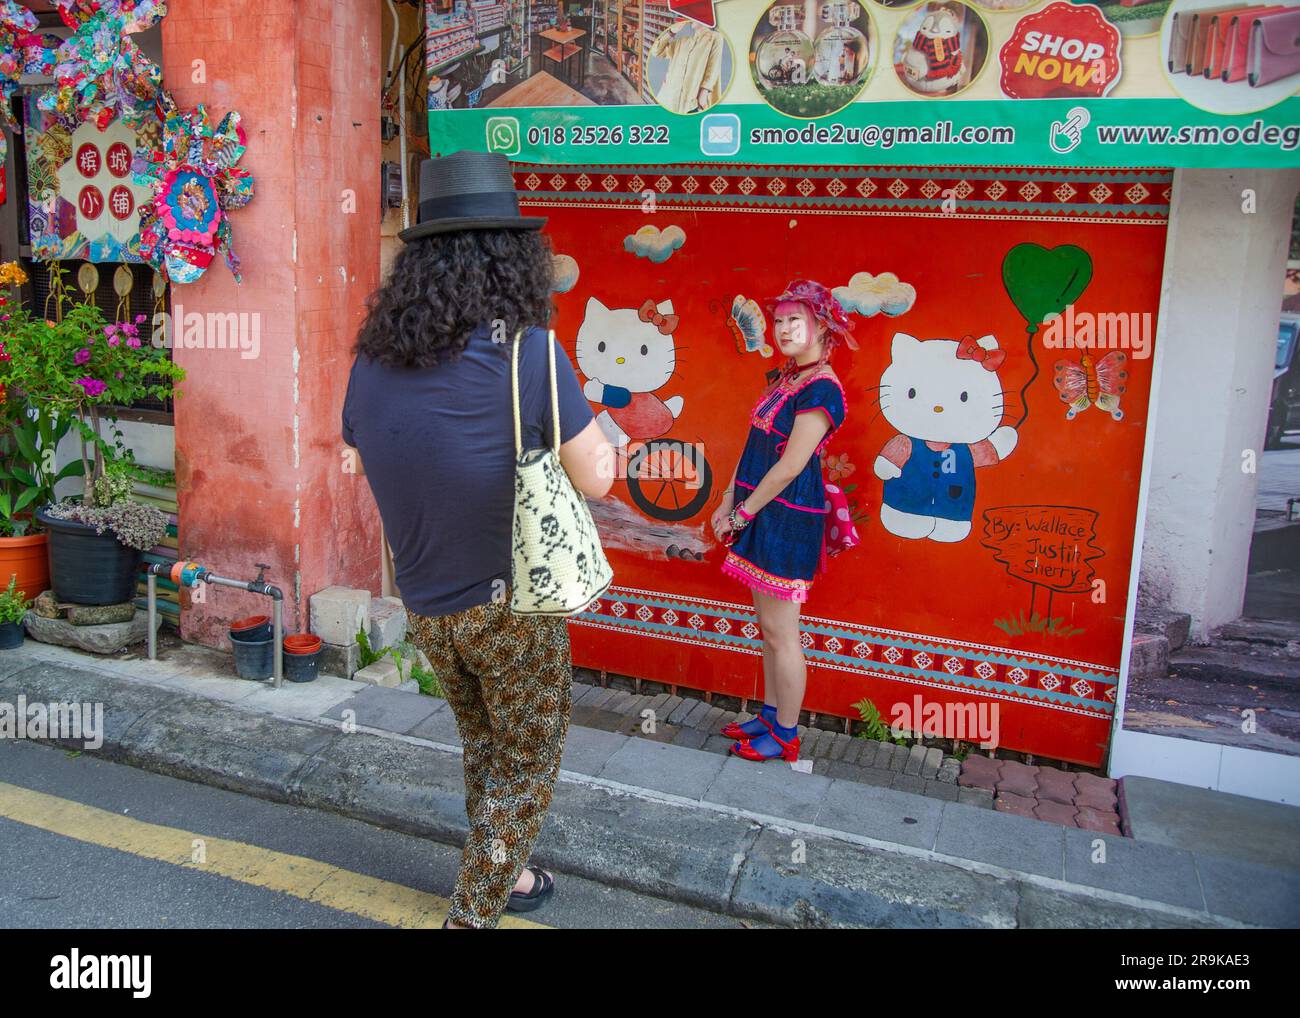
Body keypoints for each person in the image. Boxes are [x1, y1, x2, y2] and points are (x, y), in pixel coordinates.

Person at [342, 151, 614, 928]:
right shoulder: (529, 351)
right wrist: (613, 445)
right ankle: (474, 908)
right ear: (514, 257)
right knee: (525, 761)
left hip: (426, 601)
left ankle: (512, 871)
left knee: (484, 742)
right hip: (511, 605)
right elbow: (595, 478)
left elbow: (370, 449)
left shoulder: (372, 359)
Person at [712, 280, 853, 762]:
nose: (784, 328)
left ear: (822, 327)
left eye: (797, 320)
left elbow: (793, 464)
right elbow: (753, 445)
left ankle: (787, 734)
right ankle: (770, 715)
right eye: (779, 320)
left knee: (782, 631)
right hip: (758, 510)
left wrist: (743, 513)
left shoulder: (821, 388)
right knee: (767, 628)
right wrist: (729, 498)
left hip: (787, 515)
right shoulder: (786, 380)